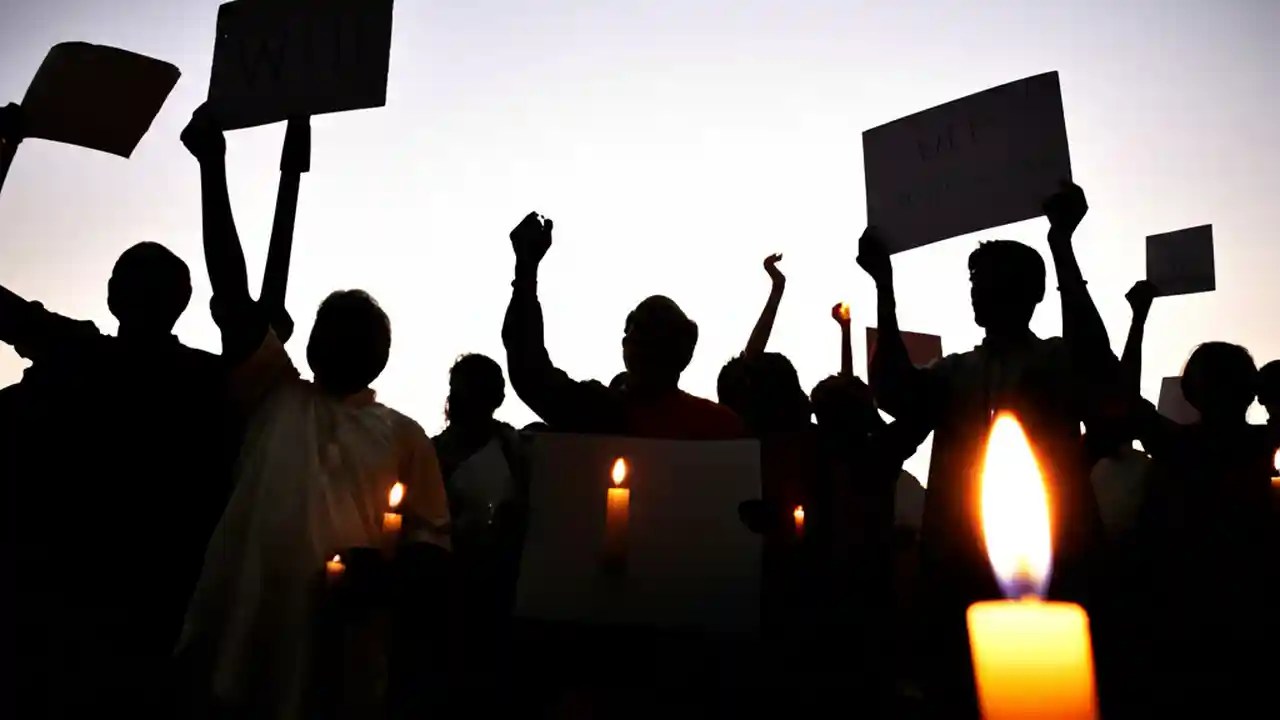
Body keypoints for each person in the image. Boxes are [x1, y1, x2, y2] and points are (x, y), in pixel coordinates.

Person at [176, 105, 451, 720]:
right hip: (244, 637)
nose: (343, 344)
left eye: (360, 336)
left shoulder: (405, 435)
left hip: (343, 648)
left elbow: (431, 541)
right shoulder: (272, 392)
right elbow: (232, 292)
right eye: (332, 330)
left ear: (382, 356)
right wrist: (212, 167)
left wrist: (386, 578)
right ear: (309, 344)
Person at [856, 182, 1116, 717]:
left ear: (1031, 292)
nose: (977, 292)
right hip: (955, 564)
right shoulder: (953, 373)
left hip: (1060, 557)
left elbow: (1096, 365)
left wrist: (1062, 245)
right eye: (974, 281)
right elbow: (894, 392)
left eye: (990, 281)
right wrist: (884, 284)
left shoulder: (1055, 361)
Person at [0, 152, 234, 714]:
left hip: (62, 611)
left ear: (112, 297)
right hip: (162, 614)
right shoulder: (210, 383)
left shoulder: (76, 354)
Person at [502, 211, 744, 439]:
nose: (631, 336)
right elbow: (533, 375)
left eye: (644, 329)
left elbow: (531, 375)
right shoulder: (717, 424)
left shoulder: (602, 415)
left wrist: (526, 271)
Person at [1128, 342, 1276, 714]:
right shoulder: (1261, 444)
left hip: (1176, 613)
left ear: (1190, 391)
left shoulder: (1176, 445)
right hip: (1250, 612)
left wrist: (1138, 324)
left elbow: (1122, 393)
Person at [432, 354, 527, 693]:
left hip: (501, 584)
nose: (457, 399)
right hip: (447, 585)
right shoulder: (432, 453)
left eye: (470, 391)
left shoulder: (515, 449)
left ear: (494, 399)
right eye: (456, 390)